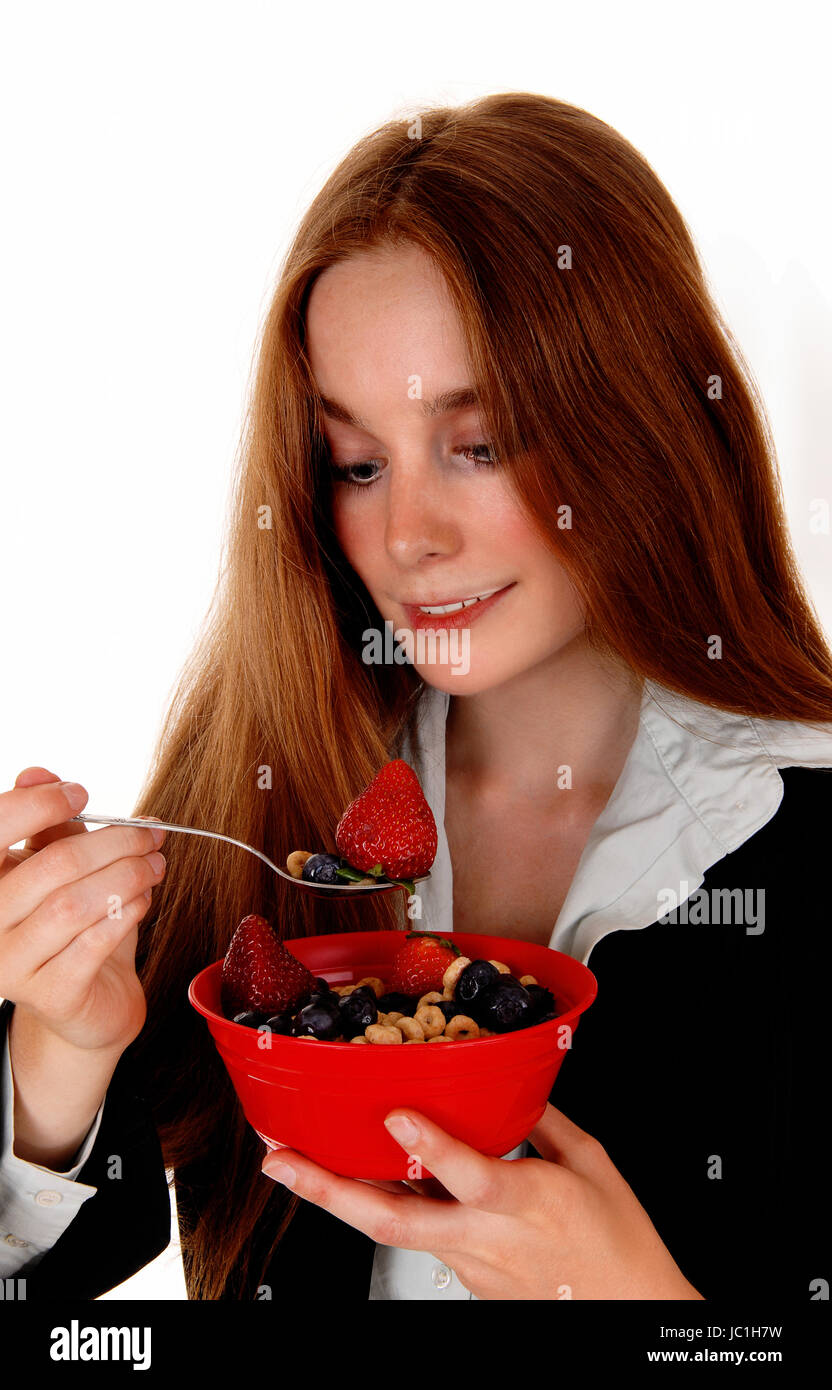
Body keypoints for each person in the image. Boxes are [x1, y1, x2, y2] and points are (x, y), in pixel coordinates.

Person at [1, 91, 831, 1302]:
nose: (406, 537)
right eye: (357, 463)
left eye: (480, 443)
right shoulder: (267, 806)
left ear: (640, 427)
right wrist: (57, 1063)